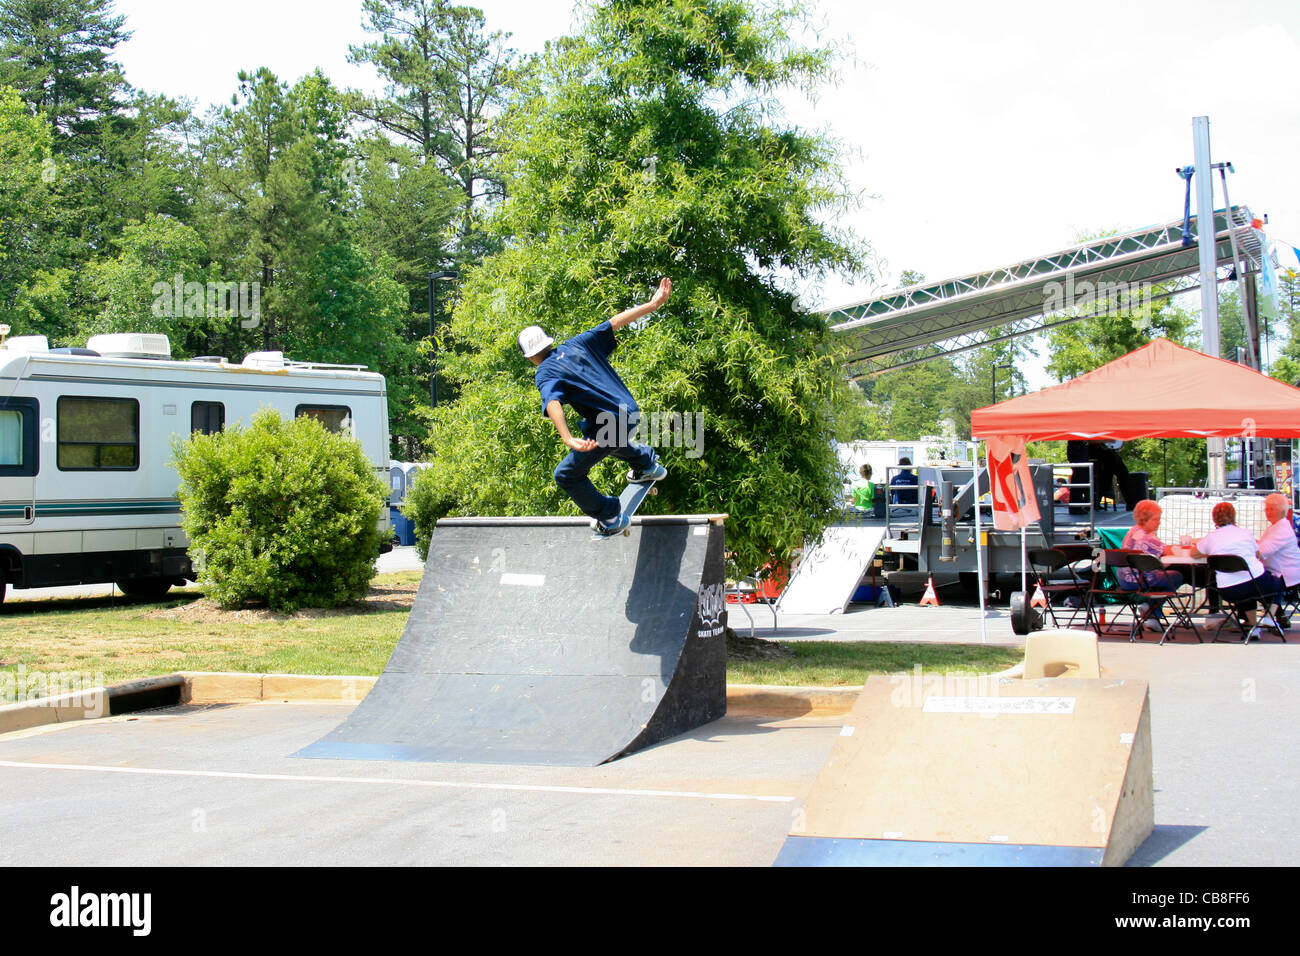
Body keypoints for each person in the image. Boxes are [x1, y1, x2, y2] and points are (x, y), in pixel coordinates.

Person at [520, 278, 671, 536]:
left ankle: (611, 516)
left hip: (612, 422)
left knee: (566, 475)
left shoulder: (544, 372)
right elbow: (615, 322)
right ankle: (647, 464)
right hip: (629, 413)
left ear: (531, 356)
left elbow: (553, 402)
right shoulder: (577, 343)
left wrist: (567, 438)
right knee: (601, 435)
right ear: (548, 341)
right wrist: (652, 304)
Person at [1193, 500, 1286, 639]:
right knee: (1278, 583)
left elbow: (1193, 553)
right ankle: (1269, 618)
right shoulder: (1245, 533)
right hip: (1255, 582)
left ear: (1214, 519)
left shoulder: (1211, 537)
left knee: (1245, 591)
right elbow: (1257, 553)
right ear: (1234, 516)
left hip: (1228, 589)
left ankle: (1253, 628)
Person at [1115, 499, 1181, 631]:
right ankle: (1153, 612)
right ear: (1144, 519)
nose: (1159, 522)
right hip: (1139, 580)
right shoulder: (1148, 538)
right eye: (1155, 519)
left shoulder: (1133, 531)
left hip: (1124, 579)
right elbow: (1169, 551)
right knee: (1176, 576)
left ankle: (1149, 607)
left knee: (1162, 577)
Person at [1256, 493, 1300, 627]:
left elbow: (1263, 551)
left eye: (1271, 509)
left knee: (1253, 580)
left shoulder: (1281, 529)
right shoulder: (1275, 526)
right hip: (1276, 572)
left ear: (1281, 511)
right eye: (1266, 509)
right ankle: (1277, 615)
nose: (1267, 512)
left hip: (1286, 575)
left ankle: (1267, 616)